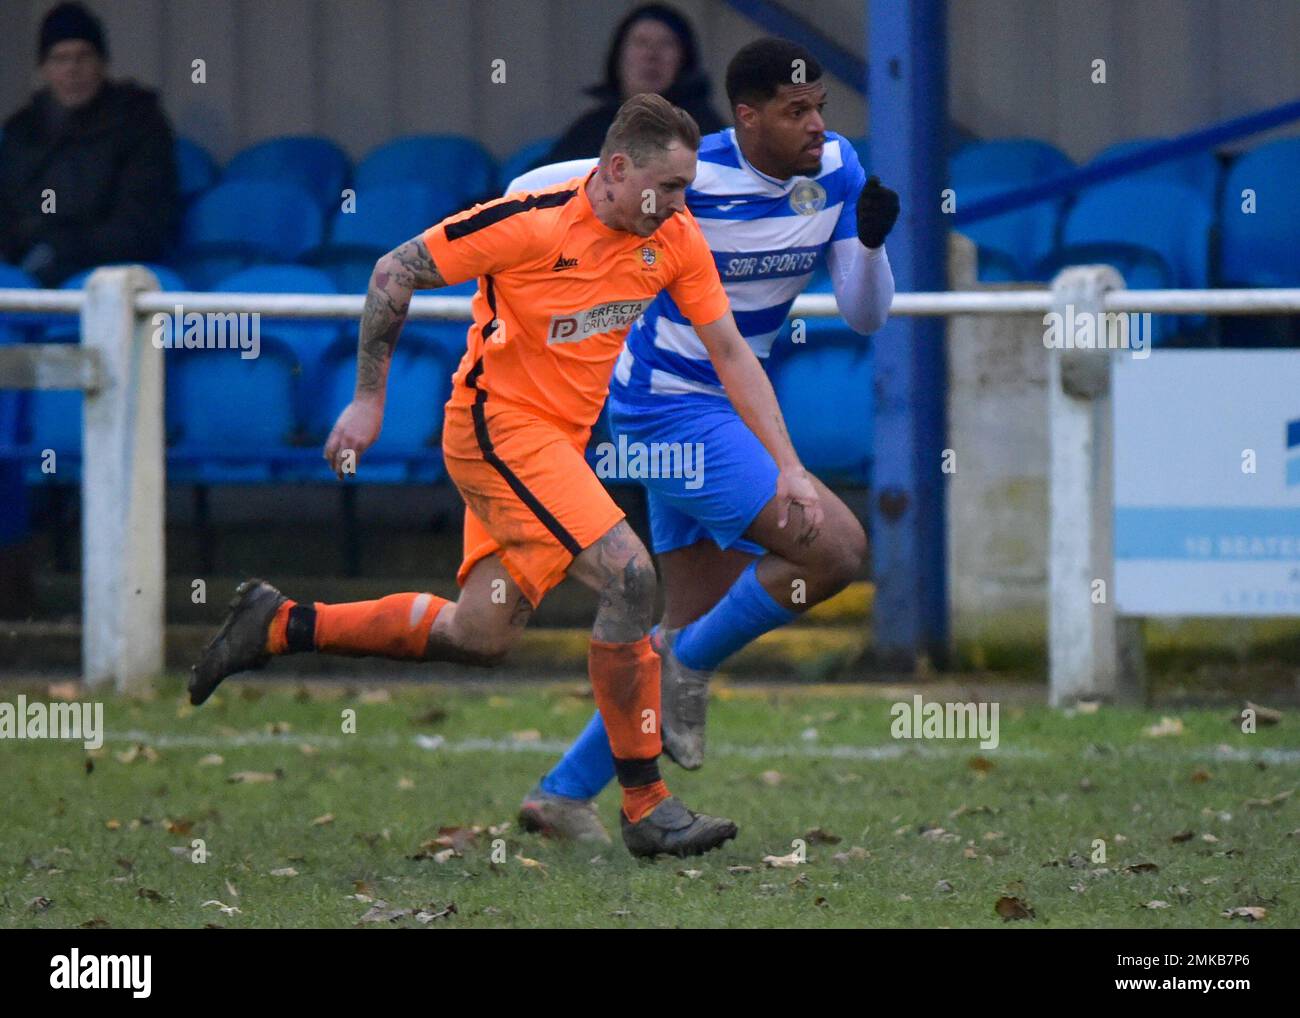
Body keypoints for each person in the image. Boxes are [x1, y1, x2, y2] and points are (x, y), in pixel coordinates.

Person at [188, 94, 826, 860]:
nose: (679, 206)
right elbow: (396, 271)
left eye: (688, 188)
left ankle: (280, 624)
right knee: (630, 578)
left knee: (478, 632)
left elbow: (729, 352)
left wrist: (789, 466)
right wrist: (366, 398)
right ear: (616, 170)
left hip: (557, 445)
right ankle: (645, 804)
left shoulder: (674, 237)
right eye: (668, 187)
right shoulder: (534, 219)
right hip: (497, 431)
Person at [511, 38, 899, 844]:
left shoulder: (838, 169)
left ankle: (563, 793)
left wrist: (867, 244)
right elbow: (540, 187)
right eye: (797, 111)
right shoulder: (696, 174)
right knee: (833, 551)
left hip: (724, 410)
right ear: (748, 117)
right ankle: (692, 669)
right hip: (662, 410)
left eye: (822, 105)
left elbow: (865, 316)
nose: (817, 124)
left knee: (686, 619)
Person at [0, 2, 179, 287]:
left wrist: (64, 246)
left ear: (102, 63)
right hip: (28, 270)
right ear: (44, 69)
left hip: (111, 275)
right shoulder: (23, 132)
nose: (72, 69)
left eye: (84, 56)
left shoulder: (139, 123)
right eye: (60, 58)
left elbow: (141, 222)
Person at [540, 3, 725, 167]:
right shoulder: (589, 130)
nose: (651, 55)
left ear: (684, 59)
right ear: (618, 57)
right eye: (641, 42)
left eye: (666, 44)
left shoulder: (704, 131)